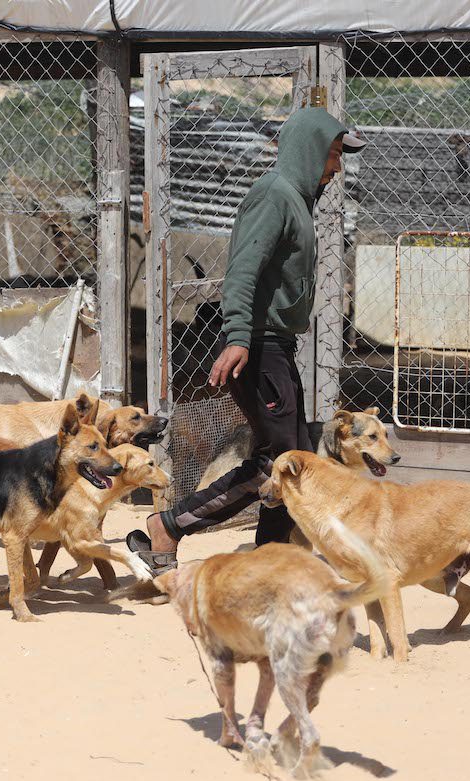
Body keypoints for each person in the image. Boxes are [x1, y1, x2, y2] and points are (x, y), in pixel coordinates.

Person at [129, 107, 365, 574]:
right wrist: (238, 336)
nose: (337, 166)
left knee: (290, 462)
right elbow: (242, 271)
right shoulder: (273, 195)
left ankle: (271, 562)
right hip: (258, 346)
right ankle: (169, 527)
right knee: (278, 465)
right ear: (309, 151)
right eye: (333, 154)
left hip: (276, 344)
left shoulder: (297, 199)